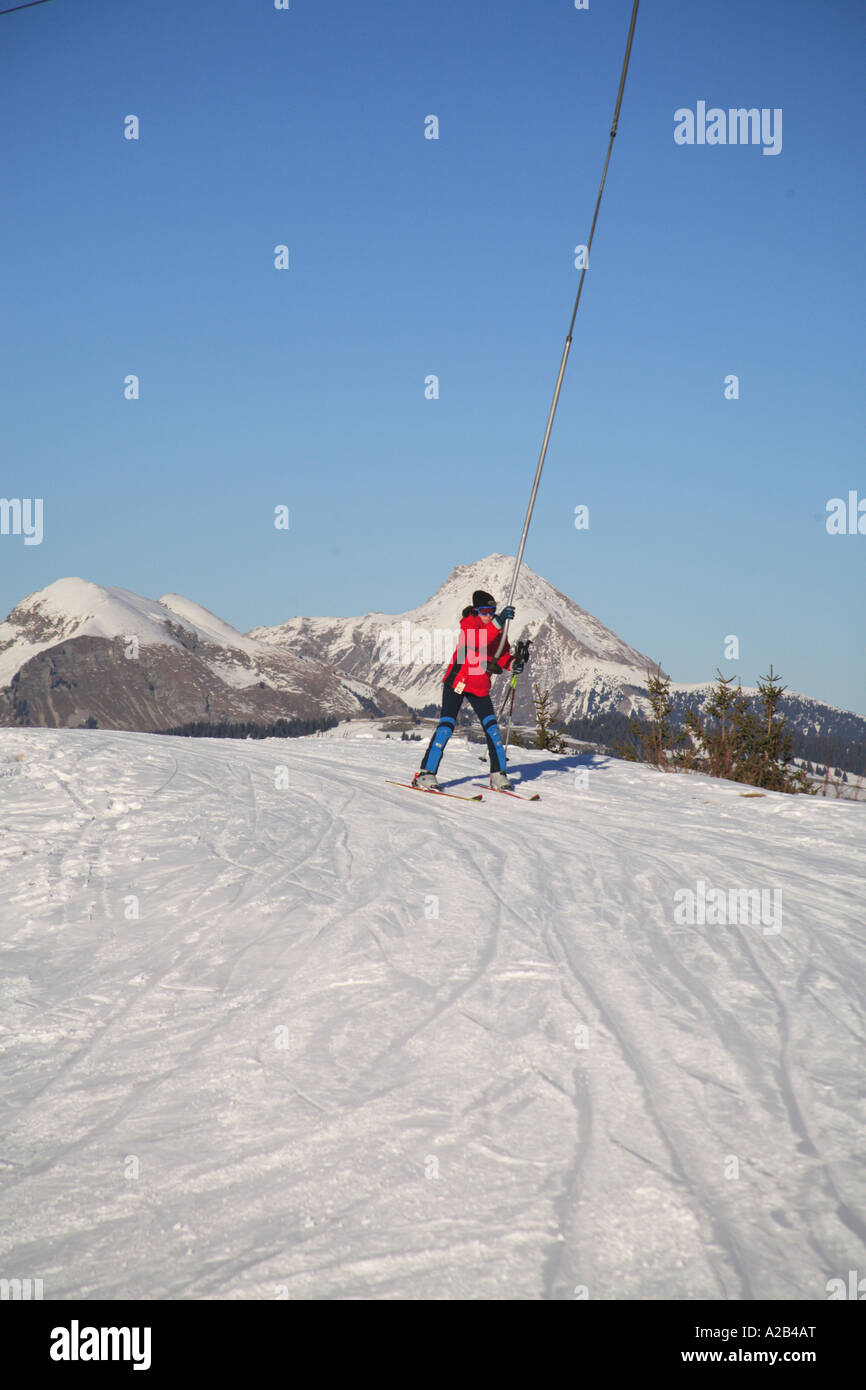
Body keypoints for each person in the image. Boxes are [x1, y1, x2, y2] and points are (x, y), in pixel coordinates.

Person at [413, 590, 527, 792]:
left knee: (492, 729)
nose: (488, 615)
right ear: (476, 610)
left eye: (492, 611)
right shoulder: (468, 624)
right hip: (457, 682)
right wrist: (498, 622)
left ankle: (498, 774)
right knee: (446, 726)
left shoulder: (497, 630)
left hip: (480, 686)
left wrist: (513, 663)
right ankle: (426, 773)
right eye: (484, 611)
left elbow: (499, 656)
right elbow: (477, 642)